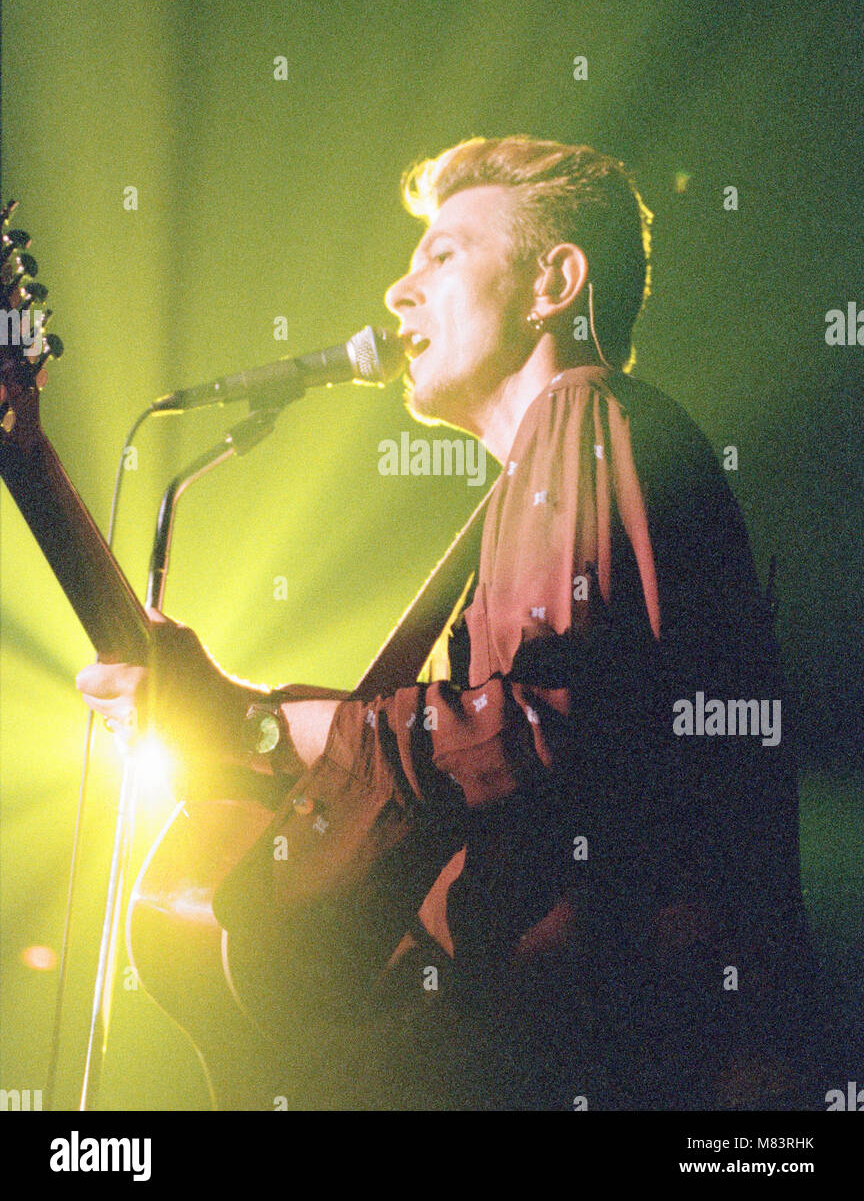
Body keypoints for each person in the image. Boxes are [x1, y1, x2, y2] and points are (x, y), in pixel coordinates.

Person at [78, 135, 815, 1110]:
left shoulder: (585, 412)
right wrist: (247, 726)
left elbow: (538, 725)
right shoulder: (533, 485)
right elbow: (476, 752)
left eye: (443, 254)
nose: (398, 289)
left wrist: (259, 722)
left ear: (554, 279)